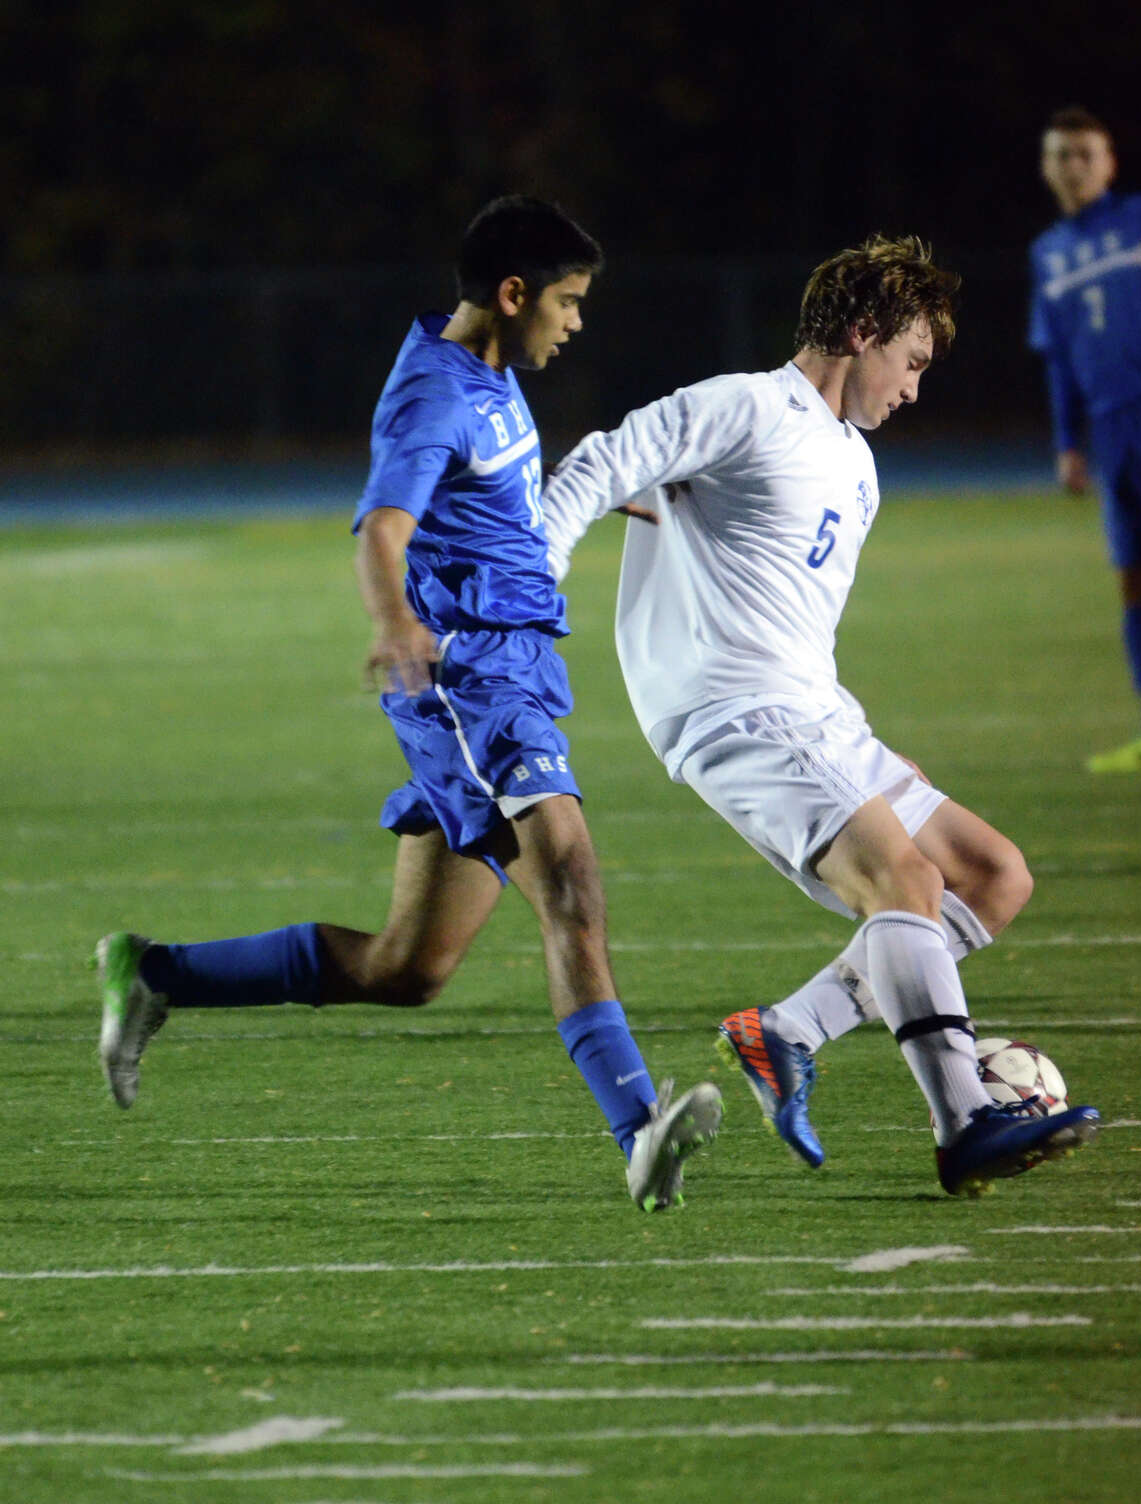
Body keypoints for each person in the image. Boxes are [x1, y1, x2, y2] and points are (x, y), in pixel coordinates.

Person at [95, 194, 721, 1213]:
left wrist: (599, 497)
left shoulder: (487, 368)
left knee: (408, 965)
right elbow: (383, 527)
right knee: (571, 881)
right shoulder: (434, 394)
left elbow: (483, 503)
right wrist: (395, 626)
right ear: (513, 293)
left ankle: (156, 973)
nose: (576, 321)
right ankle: (642, 1130)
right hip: (470, 687)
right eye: (567, 301)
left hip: (509, 675)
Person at [541, 235, 1100, 1198]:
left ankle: (789, 1029)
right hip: (735, 711)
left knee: (993, 876)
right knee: (906, 878)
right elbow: (602, 464)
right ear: (860, 330)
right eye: (913, 361)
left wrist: (864, 745)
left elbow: (782, 605)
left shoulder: (857, 465)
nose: (916, 390)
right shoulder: (746, 407)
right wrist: (532, 583)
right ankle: (964, 1119)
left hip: (816, 713)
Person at [1030, 105, 1141, 773]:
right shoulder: (1047, 253)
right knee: (1135, 572)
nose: (1074, 166)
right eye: (1061, 154)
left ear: (1109, 163)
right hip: (1109, 427)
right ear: (1046, 167)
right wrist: (1068, 441)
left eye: (1085, 154)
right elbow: (1060, 356)